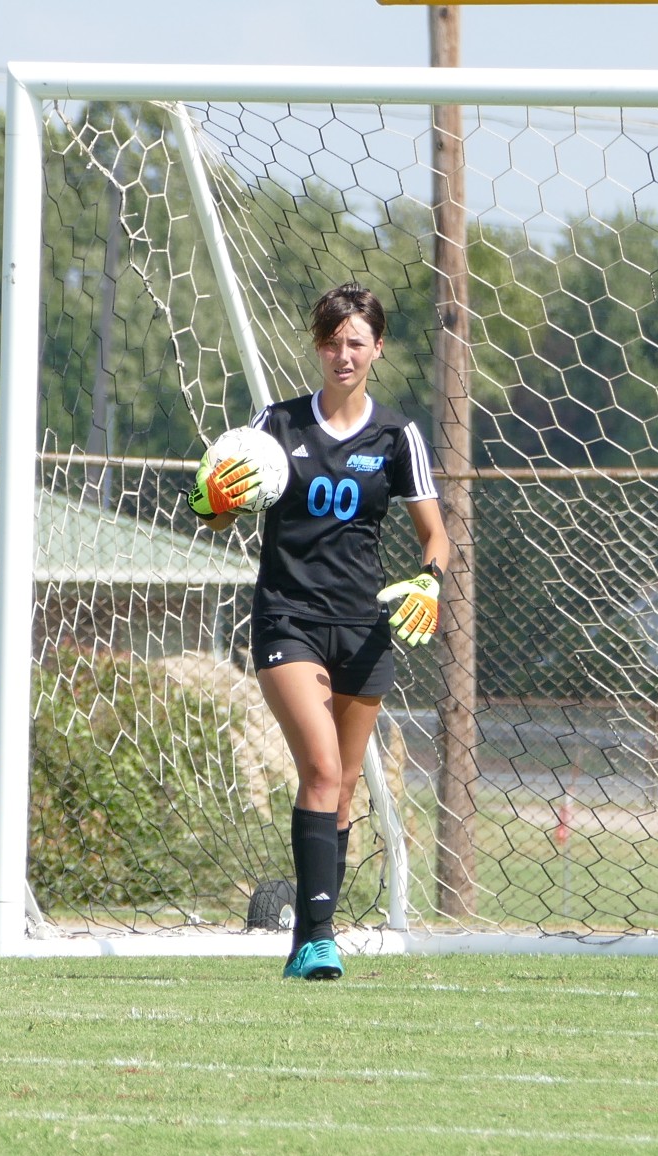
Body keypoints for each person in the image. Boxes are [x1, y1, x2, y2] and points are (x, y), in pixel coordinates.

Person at [192, 283, 449, 981]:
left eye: (356, 342)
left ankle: (310, 937)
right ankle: (319, 939)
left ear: (377, 349)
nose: (344, 353)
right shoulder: (274, 426)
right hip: (289, 619)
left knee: (341, 791)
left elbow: (436, 536)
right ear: (318, 345)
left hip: (362, 628)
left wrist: (429, 581)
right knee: (324, 770)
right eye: (332, 341)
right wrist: (209, 498)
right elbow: (218, 512)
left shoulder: (398, 436)